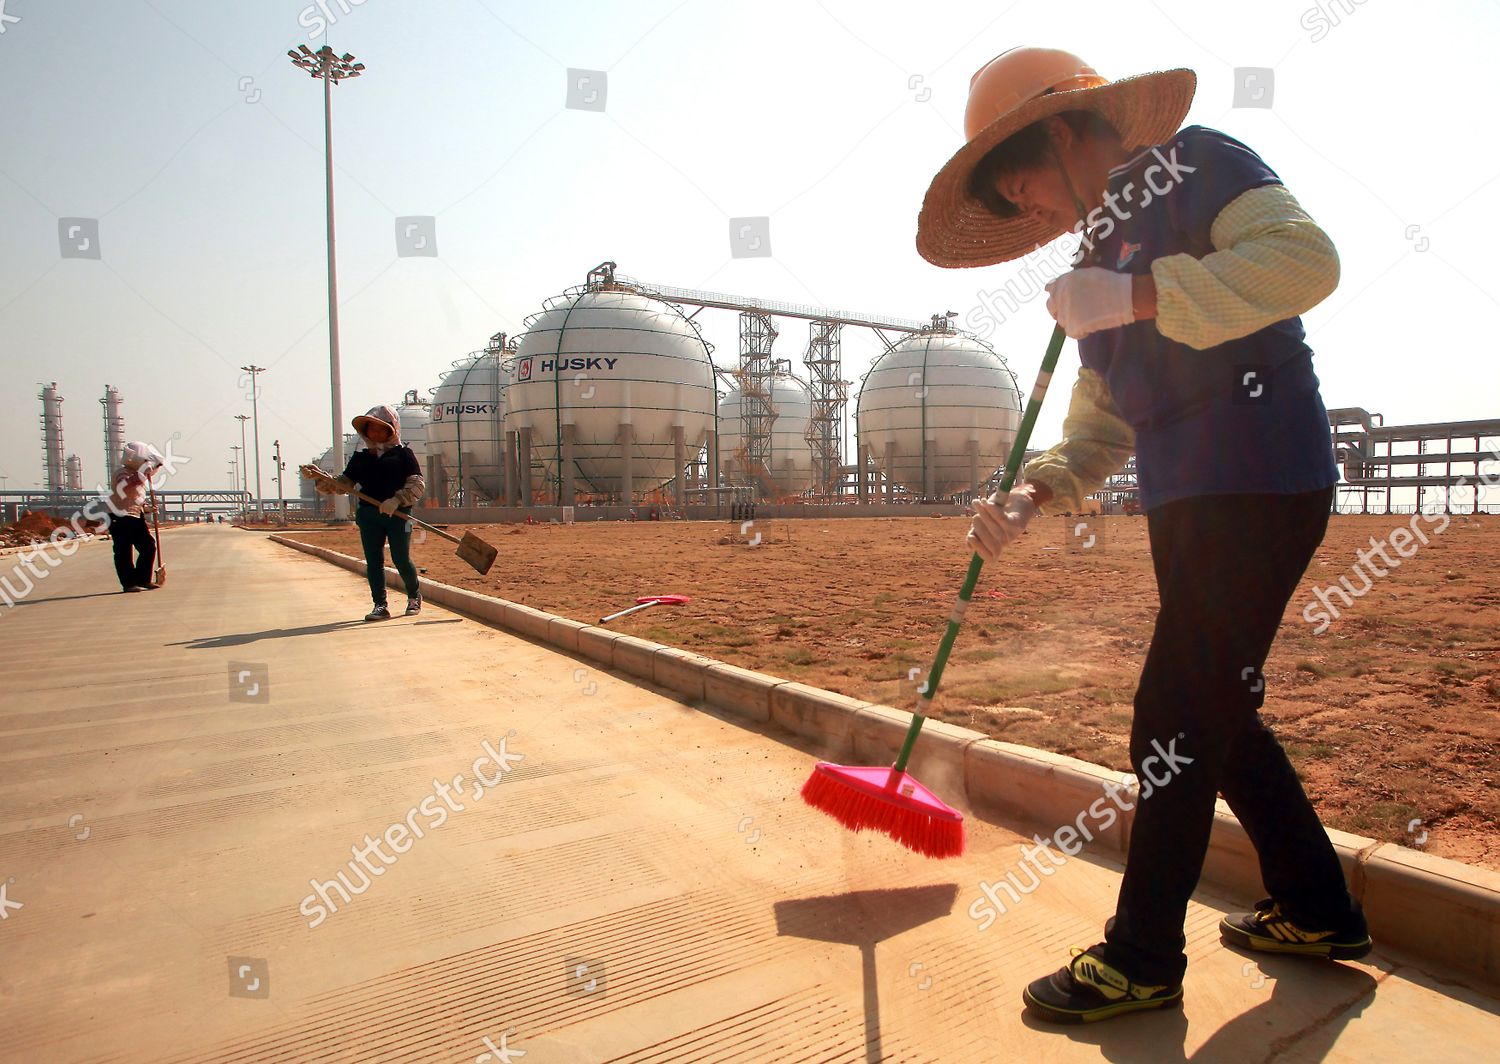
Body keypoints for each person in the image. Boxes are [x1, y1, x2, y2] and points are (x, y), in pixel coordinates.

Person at [917, 47, 1369, 1024]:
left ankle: (1140, 959)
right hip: (1189, 503)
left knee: (1170, 717)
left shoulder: (1199, 165)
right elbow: (1100, 429)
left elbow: (1306, 262)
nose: (1033, 212)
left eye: (1024, 182)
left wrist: (1138, 294)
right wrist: (1028, 499)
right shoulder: (1089, 268)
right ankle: (1318, 906)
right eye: (1013, 203)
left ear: (1067, 132)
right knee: (1217, 710)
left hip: (1260, 476)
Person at [314, 405, 426, 621]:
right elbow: (344, 484)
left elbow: (417, 483)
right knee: (373, 561)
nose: (374, 433)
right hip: (368, 516)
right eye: (370, 428)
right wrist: (324, 481)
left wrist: (397, 499)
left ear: (391, 429)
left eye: (380, 428)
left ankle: (414, 596)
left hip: (398, 515)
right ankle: (380, 604)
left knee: (401, 558)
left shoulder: (404, 455)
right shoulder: (360, 459)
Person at [108, 441, 163, 593]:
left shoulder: (140, 476)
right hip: (119, 516)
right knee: (123, 551)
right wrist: (144, 472)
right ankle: (128, 583)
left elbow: (134, 498)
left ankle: (143, 579)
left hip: (135, 516)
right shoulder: (122, 473)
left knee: (148, 547)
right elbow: (124, 486)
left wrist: (145, 509)